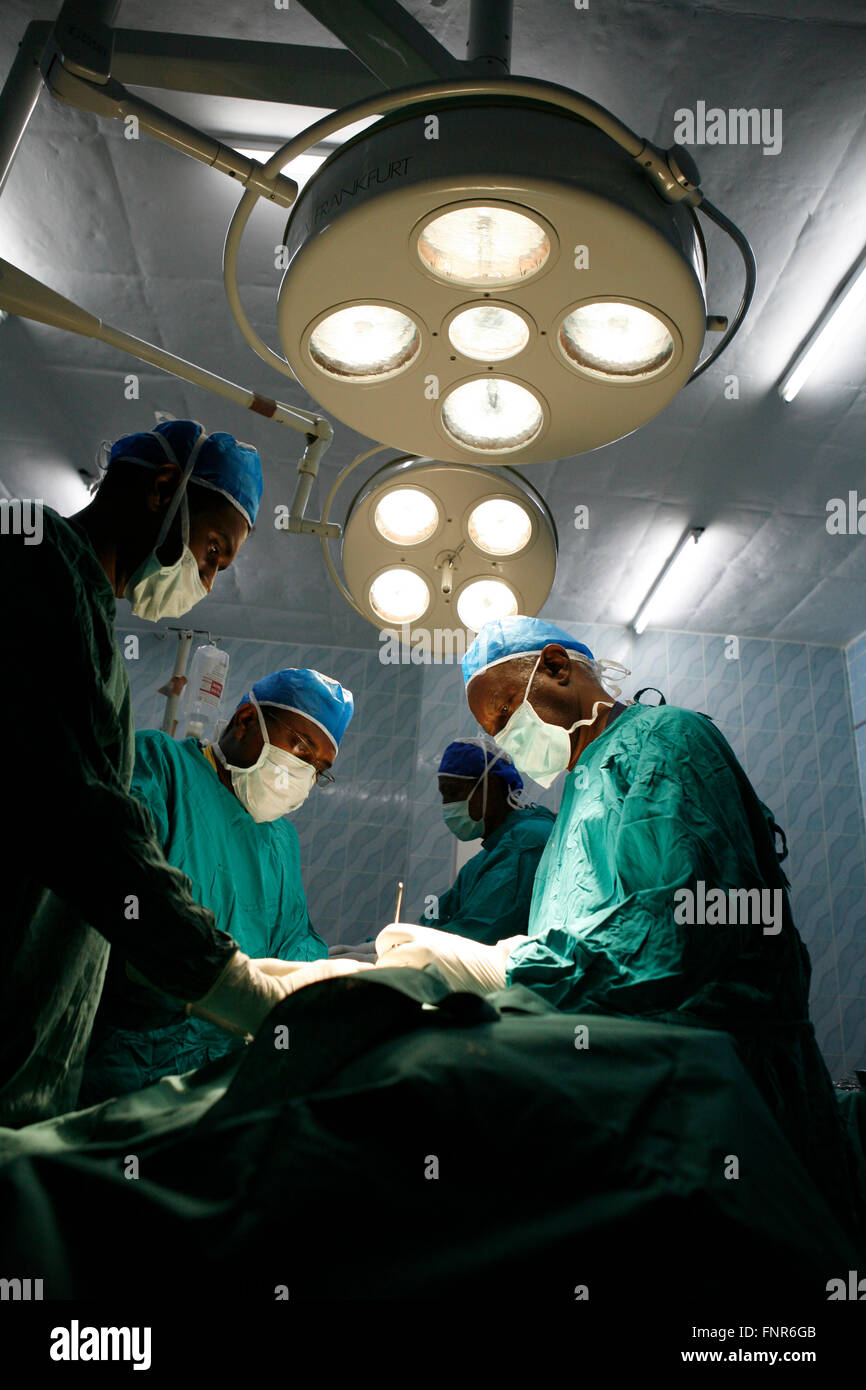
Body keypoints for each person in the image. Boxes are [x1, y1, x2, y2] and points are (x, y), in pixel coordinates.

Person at [375, 615, 865, 1240]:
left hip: (731, 1099)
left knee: (755, 1324)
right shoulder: (574, 805)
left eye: (505, 714)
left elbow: (687, 920)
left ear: (557, 667)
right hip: (639, 1104)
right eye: (493, 731)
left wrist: (508, 968)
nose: (505, 738)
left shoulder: (668, 742)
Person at [0, 420, 363, 1128]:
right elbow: (88, 827)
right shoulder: (35, 558)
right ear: (163, 490)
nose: (209, 577)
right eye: (214, 551)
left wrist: (301, 977)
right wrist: (235, 987)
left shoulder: (88, 623)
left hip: (40, 1038)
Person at [81, 668, 353, 1102]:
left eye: (319, 768)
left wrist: (322, 978)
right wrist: (232, 988)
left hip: (222, 1074)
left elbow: (293, 934)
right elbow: (131, 900)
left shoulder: (279, 837)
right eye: (301, 748)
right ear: (246, 719)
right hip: (125, 1060)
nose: (305, 772)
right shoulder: (160, 766)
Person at [425, 739, 554, 944]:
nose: (447, 806)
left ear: (491, 786)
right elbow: (434, 920)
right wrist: (383, 945)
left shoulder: (527, 844)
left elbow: (480, 935)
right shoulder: (484, 860)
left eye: (453, 793)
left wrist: (403, 947)